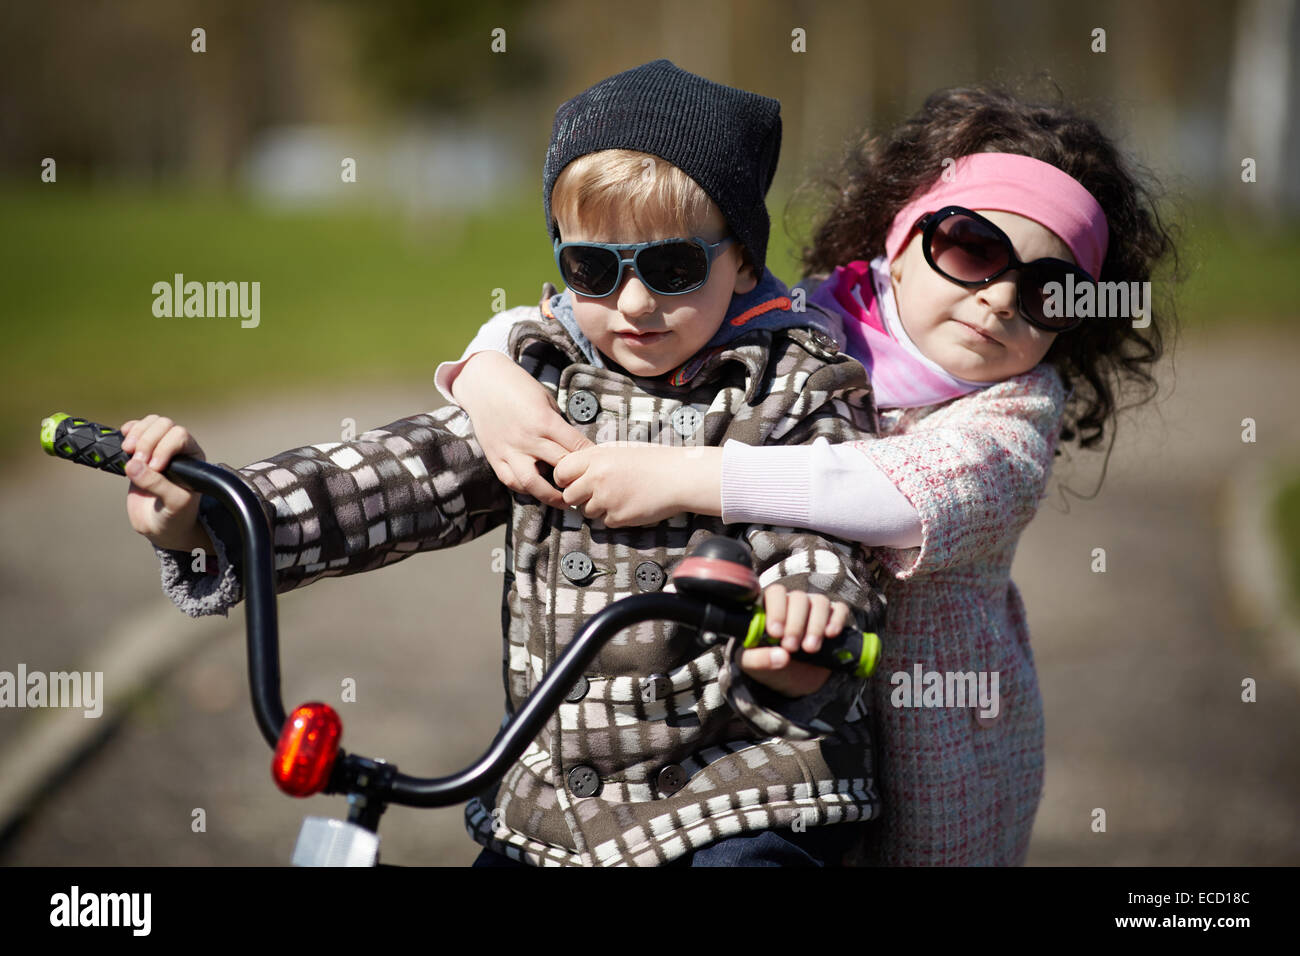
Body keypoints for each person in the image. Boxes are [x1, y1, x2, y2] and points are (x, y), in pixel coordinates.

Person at [120, 59, 889, 867]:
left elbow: (820, 529)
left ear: (738, 260)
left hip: (735, 795)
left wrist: (809, 613)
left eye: (672, 269)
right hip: (551, 806)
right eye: (595, 268)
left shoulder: (789, 386)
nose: (633, 304)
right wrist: (212, 513)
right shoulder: (541, 379)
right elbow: (398, 475)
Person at [436, 85, 1176, 865]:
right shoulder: (815, 325)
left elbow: (888, 490)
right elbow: (618, 312)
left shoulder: (1019, 414)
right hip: (786, 741)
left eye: (1049, 289)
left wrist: (686, 474)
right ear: (899, 237)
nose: (999, 298)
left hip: (933, 736)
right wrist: (487, 367)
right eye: (972, 247)